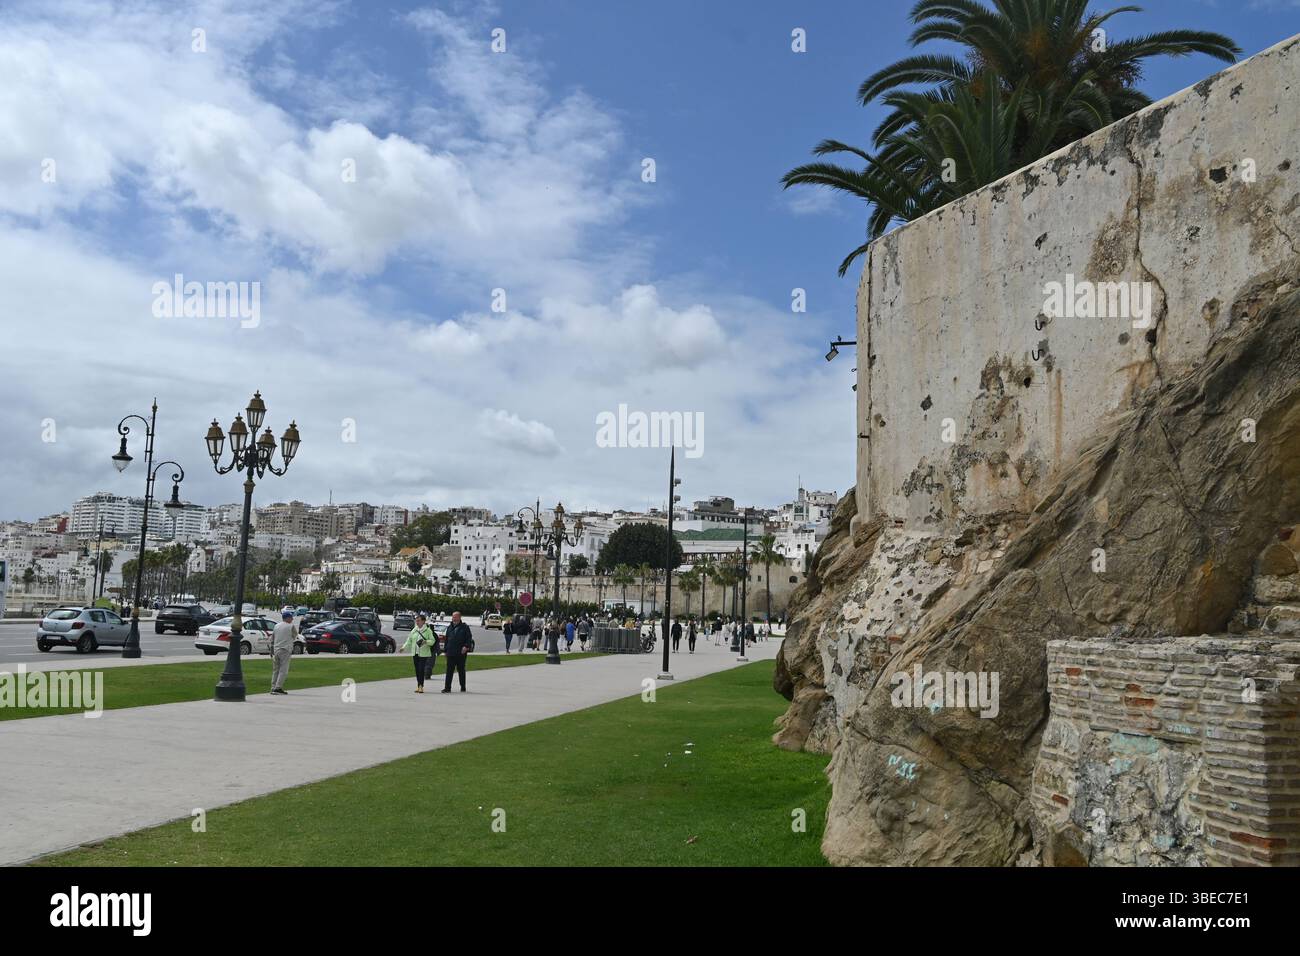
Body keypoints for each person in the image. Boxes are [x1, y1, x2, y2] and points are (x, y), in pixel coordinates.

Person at [402, 614, 437, 693]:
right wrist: (404, 647)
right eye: (416, 621)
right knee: (417, 670)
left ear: (423, 621)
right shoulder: (414, 629)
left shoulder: (428, 630)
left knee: (421, 669)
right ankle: (419, 686)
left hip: (423, 654)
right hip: (415, 653)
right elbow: (409, 640)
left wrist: (426, 641)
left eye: (418, 620)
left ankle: (421, 686)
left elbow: (432, 641)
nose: (417, 622)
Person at [443, 611, 473, 693]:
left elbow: (469, 638)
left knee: (461, 670)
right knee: (449, 670)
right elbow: (447, 640)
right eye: (453, 617)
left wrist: (466, 646)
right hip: (451, 652)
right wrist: (445, 650)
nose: (454, 618)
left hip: (461, 653)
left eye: (455, 617)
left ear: (459, 618)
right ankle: (447, 688)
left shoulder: (465, 627)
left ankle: (463, 686)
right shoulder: (449, 627)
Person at [270, 611, 295, 695]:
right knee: (283, 670)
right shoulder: (291, 626)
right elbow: (295, 635)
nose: (292, 619)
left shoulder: (276, 626)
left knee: (275, 670)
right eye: (291, 617)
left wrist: (271, 650)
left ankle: (273, 687)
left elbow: (272, 639)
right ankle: (278, 687)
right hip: (285, 649)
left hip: (276, 649)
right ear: (287, 618)